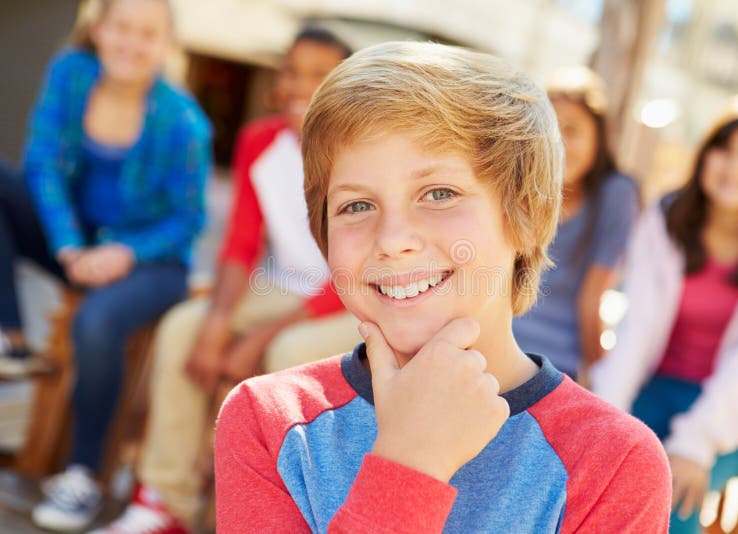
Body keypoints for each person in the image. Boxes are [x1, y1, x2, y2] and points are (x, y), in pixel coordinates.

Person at [214, 41, 671, 533]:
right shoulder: (268, 422)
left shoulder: (614, 464)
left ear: (525, 218)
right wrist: (410, 464)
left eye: (439, 194)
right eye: (356, 206)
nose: (392, 241)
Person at [92, 27, 356, 534]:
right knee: (183, 327)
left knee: (286, 357)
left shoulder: (358, 151)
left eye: (320, 76)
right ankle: (165, 501)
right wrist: (217, 320)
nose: (301, 85)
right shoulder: (260, 140)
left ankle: (263, 519)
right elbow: (241, 242)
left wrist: (260, 335)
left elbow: (356, 271)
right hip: (283, 286)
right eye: (291, 71)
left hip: (352, 301)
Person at [0, 0, 211, 530]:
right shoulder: (70, 74)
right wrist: (70, 246)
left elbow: (188, 220)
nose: (131, 44)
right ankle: (10, 337)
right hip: (77, 241)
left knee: (96, 322)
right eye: (122, 28)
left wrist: (122, 253)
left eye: (147, 34)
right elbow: (42, 163)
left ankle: (83, 477)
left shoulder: (184, 121)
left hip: (152, 260)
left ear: (164, 43)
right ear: (99, 28)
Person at [591, 93, 738, 533]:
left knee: (671, 494)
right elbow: (636, 330)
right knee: (601, 480)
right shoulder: (666, 219)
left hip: (735, 414)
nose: (734, 166)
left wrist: (695, 445)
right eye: (724, 148)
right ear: (705, 154)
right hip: (652, 387)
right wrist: (608, 418)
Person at [512, 67, 639, 382]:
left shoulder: (616, 193)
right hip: (491, 347)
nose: (558, 143)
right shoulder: (515, 186)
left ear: (599, 138)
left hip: (556, 363)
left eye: (572, 130)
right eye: (549, 128)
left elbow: (592, 298)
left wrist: (598, 380)